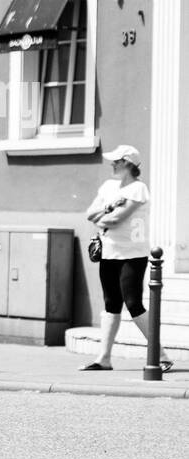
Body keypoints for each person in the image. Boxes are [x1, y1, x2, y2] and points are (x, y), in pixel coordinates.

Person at [80, 145, 172, 372]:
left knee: (133, 304)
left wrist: (103, 216)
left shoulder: (138, 189)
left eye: (117, 161)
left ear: (128, 164)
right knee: (111, 304)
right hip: (108, 252)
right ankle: (104, 359)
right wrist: (109, 208)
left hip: (133, 254)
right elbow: (90, 214)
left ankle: (161, 355)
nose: (112, 164)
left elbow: (116, 220)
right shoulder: (108, 186)